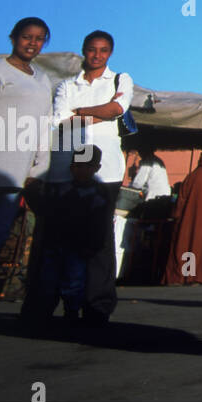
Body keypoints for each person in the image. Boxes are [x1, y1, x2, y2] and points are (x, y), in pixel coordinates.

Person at [49, 30, 134, 322]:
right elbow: (60, 119)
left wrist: (81, 112)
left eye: (103, 50)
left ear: (110, 53)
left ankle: (98, 305)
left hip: (105, 171)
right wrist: (102, 114)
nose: (97, 55)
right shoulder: (66, 85)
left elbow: (118, 108)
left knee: (100, 242)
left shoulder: (120, 79)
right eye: (92, 50)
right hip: (68, 170)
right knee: (66, 239)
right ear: (84, 51)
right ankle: (67, 302)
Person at [0, 18, 54, 298]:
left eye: (39, 38)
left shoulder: (43, 80)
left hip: (17, 175)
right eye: (27, 36)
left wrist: (39, 167)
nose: (32, 43)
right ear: (13, 37)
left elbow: (44, 125)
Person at [21, 147, 112, 326]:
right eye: (78, 166)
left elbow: (99, 225)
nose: (82, 171)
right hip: (56, 245)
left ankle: (71, 312)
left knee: (74, 282)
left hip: (78, 248)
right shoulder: (60, 190)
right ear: (71, 167)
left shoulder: (98, 194)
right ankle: (44, 312)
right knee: (49, 280)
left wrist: (92, 246)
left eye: (87, 167)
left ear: (96, 168)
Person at [164, 150, 202, 285]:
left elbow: (181, 198)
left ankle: (184, 276)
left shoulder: (192, 176)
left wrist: (177, 215)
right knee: (201, 248)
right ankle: (196, 277)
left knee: (186, 246)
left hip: (188, 219)